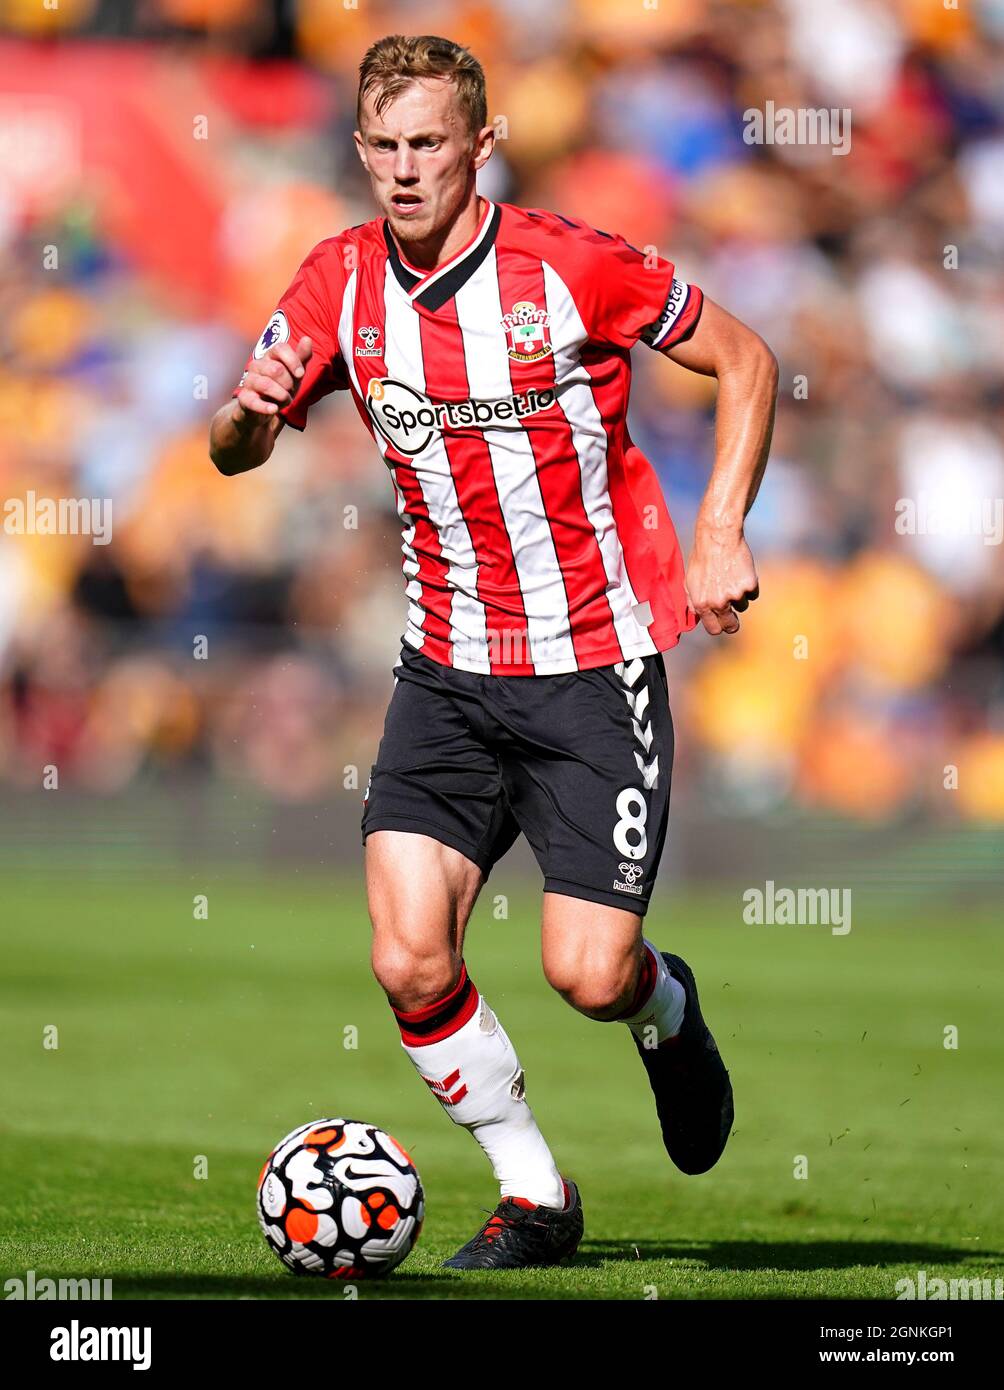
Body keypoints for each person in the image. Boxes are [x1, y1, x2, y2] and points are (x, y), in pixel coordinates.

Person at [210, 33, 777, 1271]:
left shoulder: (568, 266)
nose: (405, 169)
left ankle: (664, 1007)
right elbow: (232, 449)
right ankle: (535, 1195)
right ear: (359, 151)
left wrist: (719, 528)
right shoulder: (336, 282)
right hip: (445, 671)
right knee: (407, 956)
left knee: (587, 973)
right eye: (384, 146)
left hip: (591, 667)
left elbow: (744, 358)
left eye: (428, 143)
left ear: (482, 144)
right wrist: (244, 418)